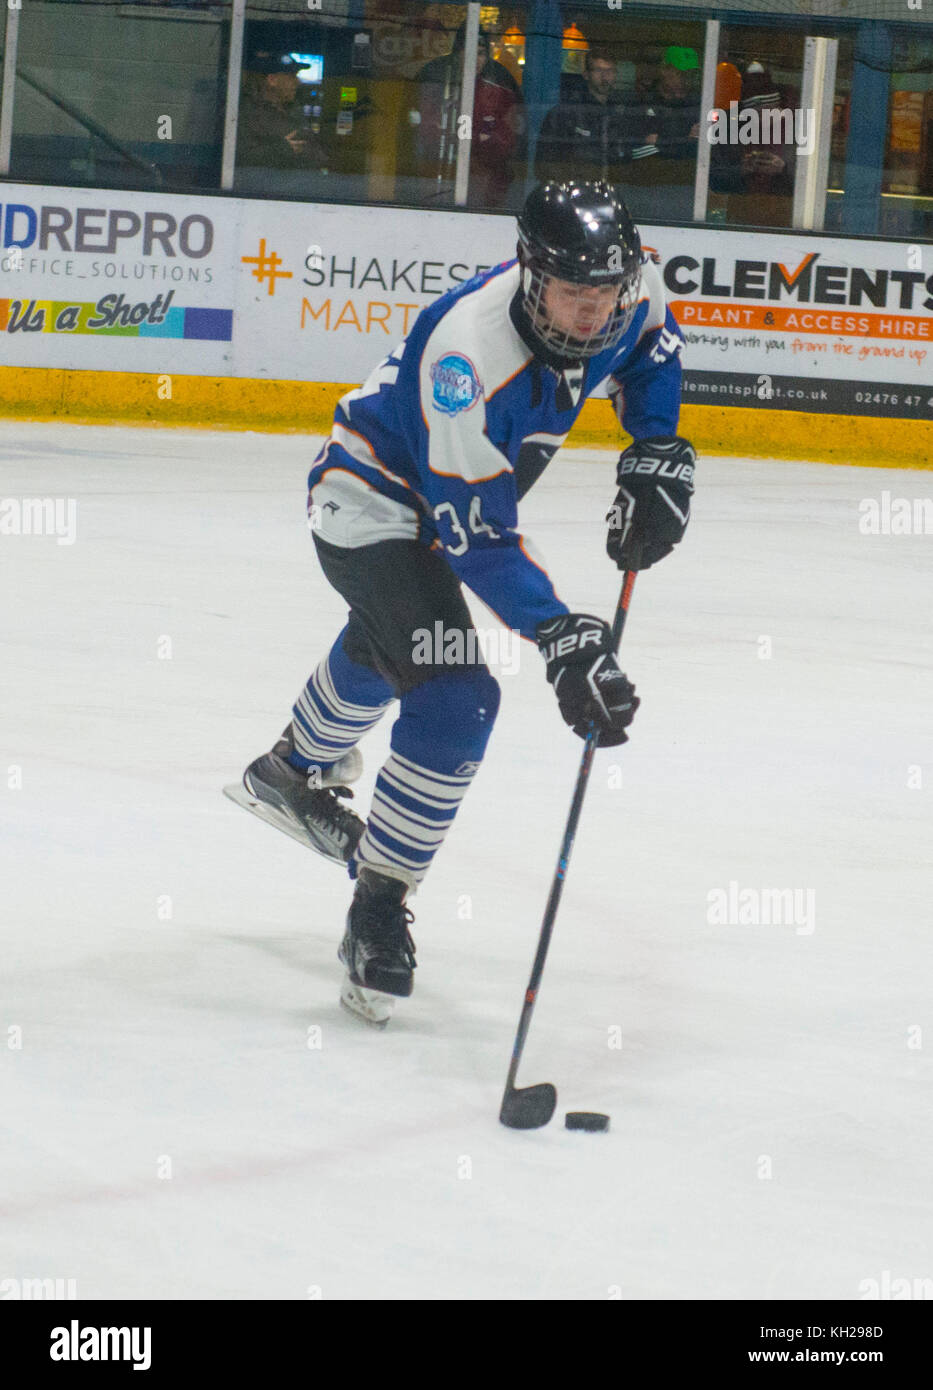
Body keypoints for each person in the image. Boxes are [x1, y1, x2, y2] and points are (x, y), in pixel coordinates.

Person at [229, 182, 695, 1027]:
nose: (591, 314)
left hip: (444, 506)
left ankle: (286, 771)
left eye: (603, 294)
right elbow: (476, 538)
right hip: (369, 503)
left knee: (391, 642)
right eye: (570, 294)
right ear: (527, 273)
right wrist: (563, 638)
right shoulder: (462, 356)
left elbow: (650, 349)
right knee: (453, 686)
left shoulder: (632, 285)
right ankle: (377, 906)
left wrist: (657, 449)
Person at [411, 24, 524, 208]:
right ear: (457, 53)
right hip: (437, 177)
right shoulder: (435, 82)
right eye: (469, 51)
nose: (475, 59)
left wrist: (482, 142)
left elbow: (509, 140)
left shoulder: (500, 90)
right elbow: (421, 131)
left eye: (480, 53)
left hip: (485, 184)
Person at [534, 48, 659, 185]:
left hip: (615, 192)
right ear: (586, 74)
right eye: (599, 70)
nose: (605, 77)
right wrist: (570, 187)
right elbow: (544, 163)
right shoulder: (566, 112)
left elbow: (636, 155)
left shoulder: (623, 111)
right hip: (575, 193)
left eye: (610, 71)